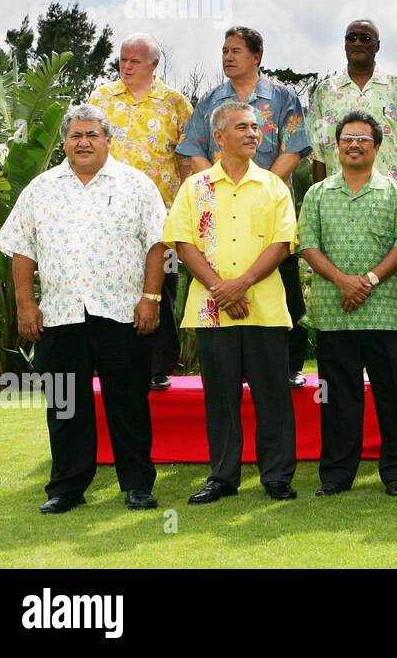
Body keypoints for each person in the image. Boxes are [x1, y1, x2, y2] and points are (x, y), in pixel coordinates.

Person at [0, 104, 167, 513]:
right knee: (66, 402)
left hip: (122, 312)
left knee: (127, 403)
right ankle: (67, 488)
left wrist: (151, 298)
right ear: (65, 142)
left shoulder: (136, 185)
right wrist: (25, 306)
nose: (84, 142)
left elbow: (157, 245)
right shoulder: (41, 188)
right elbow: (22, 249)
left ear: (108, 140)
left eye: (92, 135)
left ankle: (137, 485)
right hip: (60, 314)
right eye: (76, 135)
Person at [166, 101, 300, 503]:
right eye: (242, 126)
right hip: (211, 309)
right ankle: (223, 478)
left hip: (265, 308)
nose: (253, 134)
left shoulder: (274, 186)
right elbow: (182, 241)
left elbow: (283, 243)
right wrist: (220, 288)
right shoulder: (195, 187)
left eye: (256, 127)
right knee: (220, 398)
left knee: (272, 395)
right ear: (219, 137)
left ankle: (276, 476)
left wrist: (239, 284)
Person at [177, 26, 312, 387]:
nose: (228, 57)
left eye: (236, 50)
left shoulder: (282, 97)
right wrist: (217, 184)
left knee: (281, 281)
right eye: (224, 50)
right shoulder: (210, 100)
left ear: (257, 57)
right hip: (217, 205)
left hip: (268, 203)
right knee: (216, 273)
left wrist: (259, 183)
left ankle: (288, 367)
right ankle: (225, 373)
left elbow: (293, 149)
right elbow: (193, 151)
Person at [300, 111, 397, 497]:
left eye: (363, 140)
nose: (354, 145)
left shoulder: (395, 192)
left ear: (377, 147)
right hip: (334, 310)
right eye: (347, 139)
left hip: (383, 310)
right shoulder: (317, 194)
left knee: (394, 396)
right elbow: (307, 245)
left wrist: (367, 281)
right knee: (337, 398)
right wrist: (342, 281)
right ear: (336, 147)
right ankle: (336, 474)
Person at [308, 18, 397, 377]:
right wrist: (316, 195)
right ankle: (340, 353)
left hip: (391, 194)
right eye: (351, 37)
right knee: (338, 267)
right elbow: (318, 149)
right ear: (344, 44)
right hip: (336, 195)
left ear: (378, 45)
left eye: (366, 38)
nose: (357, 42)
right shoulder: (325, 90)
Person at [89, 32, 193, 391]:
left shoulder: (175, 103)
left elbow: (187, 159)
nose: (126, 66)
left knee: (161, 287)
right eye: (122, 59)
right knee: (113, 285)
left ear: (154, 64)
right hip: (109, 213)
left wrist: (183, 205)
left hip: (161, 216)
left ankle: (158, 365)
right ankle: (112, 363)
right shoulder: (101, 98)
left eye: (135, 60)